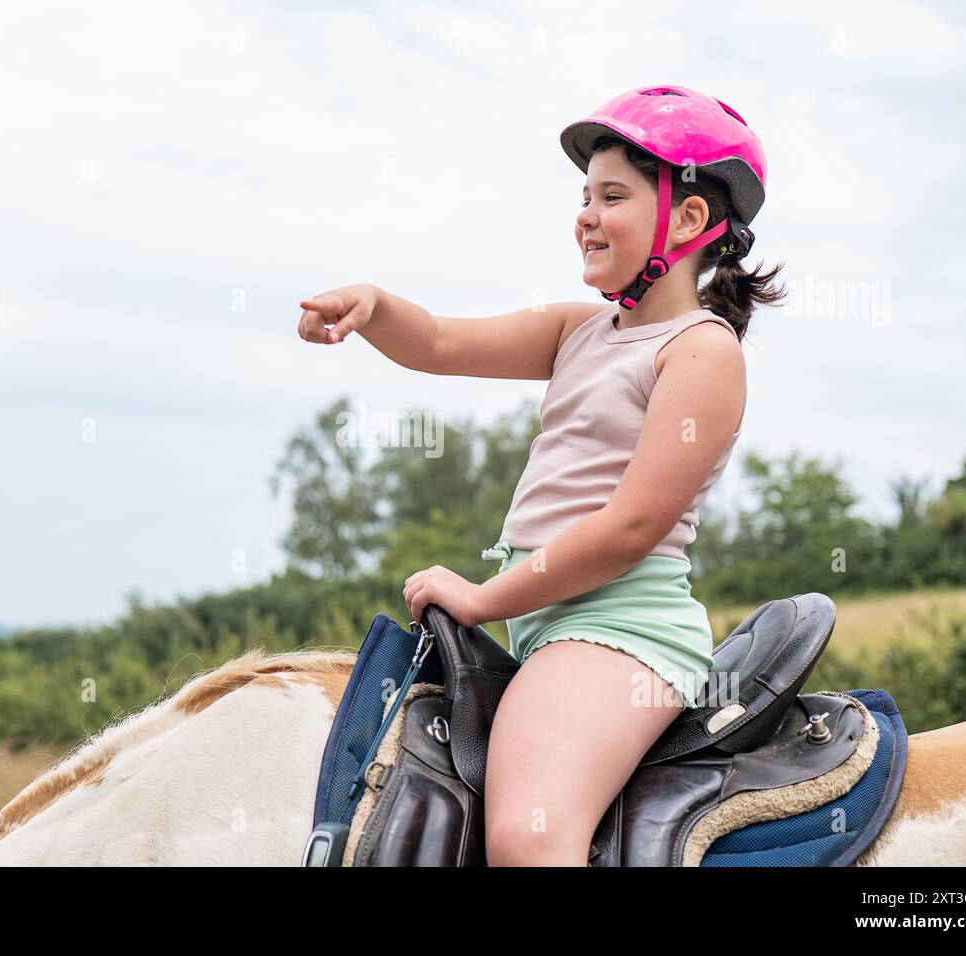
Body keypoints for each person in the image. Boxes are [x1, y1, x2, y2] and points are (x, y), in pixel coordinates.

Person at [296, 85, 787, 866]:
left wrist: (485, 598)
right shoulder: (576, 330)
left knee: (527, 843)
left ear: (689, 221)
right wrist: (374, 305)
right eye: (584, 196)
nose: (584, 215)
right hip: (552, 623)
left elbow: (630, 529)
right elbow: (441, 345)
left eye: (612, 196)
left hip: (622, 630)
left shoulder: (701, 350)